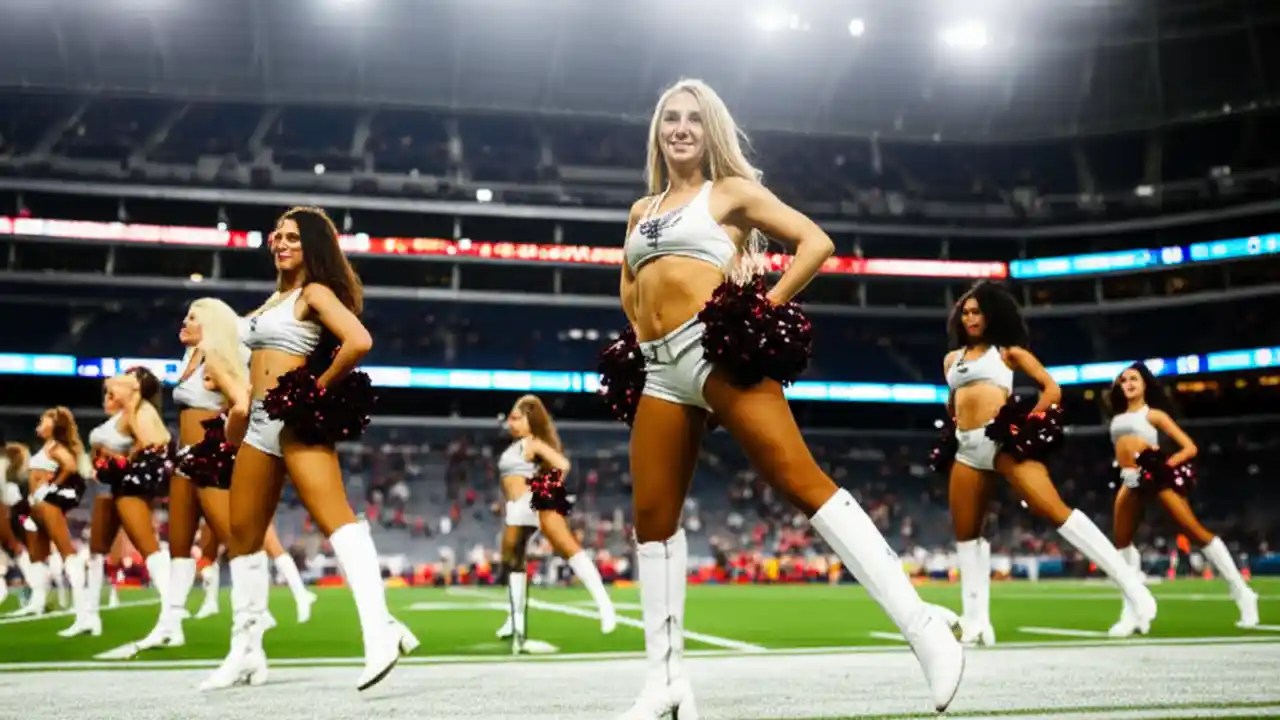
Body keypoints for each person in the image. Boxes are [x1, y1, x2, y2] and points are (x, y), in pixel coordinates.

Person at [614, 78, 962, 718]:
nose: (681, 128)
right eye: (670, 119)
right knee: (652, 522)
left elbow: (816, 244)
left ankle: (923, 628)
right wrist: (638, 341)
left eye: (694, 119)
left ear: (709, 130)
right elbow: (630, 287)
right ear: (658, 131)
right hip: (661, 371)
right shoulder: (641, 211)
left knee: (801, 482)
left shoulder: (730, 193)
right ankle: (664, 682)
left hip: (715, 349)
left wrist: (758, 309)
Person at [201, 206, 415, 692]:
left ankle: (379, 630)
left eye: (293, 237)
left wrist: (315, 389)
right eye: (276, 235)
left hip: (295, 418)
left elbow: (358, 340)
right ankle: (247, 651)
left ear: (312, 245)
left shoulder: (313, 292)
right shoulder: (271, 300)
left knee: (336, 520)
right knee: (243, 535)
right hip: (258, 425)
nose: (280, 243)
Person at [942, 281, 1156, 645]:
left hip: (1002, 443)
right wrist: (954, 425)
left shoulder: (1009, 353)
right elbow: (954, 400)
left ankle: (1134, 588)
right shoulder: (952, 359)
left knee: (1056, 511)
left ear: (991, 314)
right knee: (966, 535)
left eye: (976, 311)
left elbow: (1051, 388)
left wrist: (1024, 425)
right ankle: (977, 622)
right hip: (966, 450)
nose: (970, 317)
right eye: (965, 312)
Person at [1106, 362, 1258, 635]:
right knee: (1122, 543)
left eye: (1134, 379)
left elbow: (1190, 447)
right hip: (1130, 480)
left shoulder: (1154, 415)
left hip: (1155, 477)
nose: (1128, 383)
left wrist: (1165, 465)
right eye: (1124, 380)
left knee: (1195, 531)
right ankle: (1132, 611)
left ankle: (1243, 593)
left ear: (1144, 386)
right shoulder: (1116, 419)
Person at [493, 394, 616, 652]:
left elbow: (562, 464)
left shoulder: (534, 443)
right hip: (516, 508)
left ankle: (605, 606)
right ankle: (515, 622)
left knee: (569, 549)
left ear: (530, 421)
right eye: (510, 419)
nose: (511, 423)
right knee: (511, 559)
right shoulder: (515, 447)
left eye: (517, 419)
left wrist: (542, 488)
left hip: (535, 502)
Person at [24, 408, 89, 629]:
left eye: (46, 419)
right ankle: (37, 602)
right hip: (36, 505)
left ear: (56, 425)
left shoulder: (55, 447)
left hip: (47, 503)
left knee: (66, 551)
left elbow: (70, 465)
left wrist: (51, 487)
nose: (41, 422)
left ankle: (83, 614)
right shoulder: (46, 446)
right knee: (36, 554)